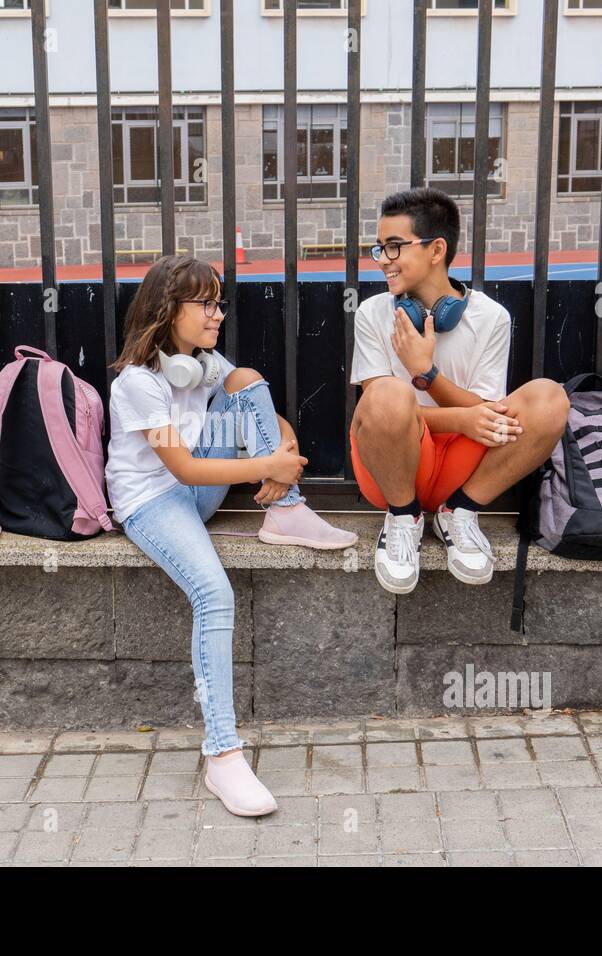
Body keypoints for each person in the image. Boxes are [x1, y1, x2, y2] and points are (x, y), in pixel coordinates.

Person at [105, 254, 358, 817]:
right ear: (167, 309)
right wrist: (262, 464)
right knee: (213, 594)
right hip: (154, 499)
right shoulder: (138, 384)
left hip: (200, 487)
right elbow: (186, 471)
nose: (217, 314)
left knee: (246, 379)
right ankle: (223, 755)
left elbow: (256, 407)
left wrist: (281, 453)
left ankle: (287, 512)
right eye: (205, 304)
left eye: (220, 303)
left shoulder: (203, 365)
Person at [350, 187, 570, 594]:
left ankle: (459, 514)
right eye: (379, 248)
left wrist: (427, 374)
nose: (383, 260)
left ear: (437, 250)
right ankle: (403, 519)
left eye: (394, 247)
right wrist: (459, 416)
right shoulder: (372, 312)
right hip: (394, 466)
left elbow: (489, 413)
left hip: (464, 465)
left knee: (549, 397)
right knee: (387, 395)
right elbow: (377, 406)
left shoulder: (492, 317)